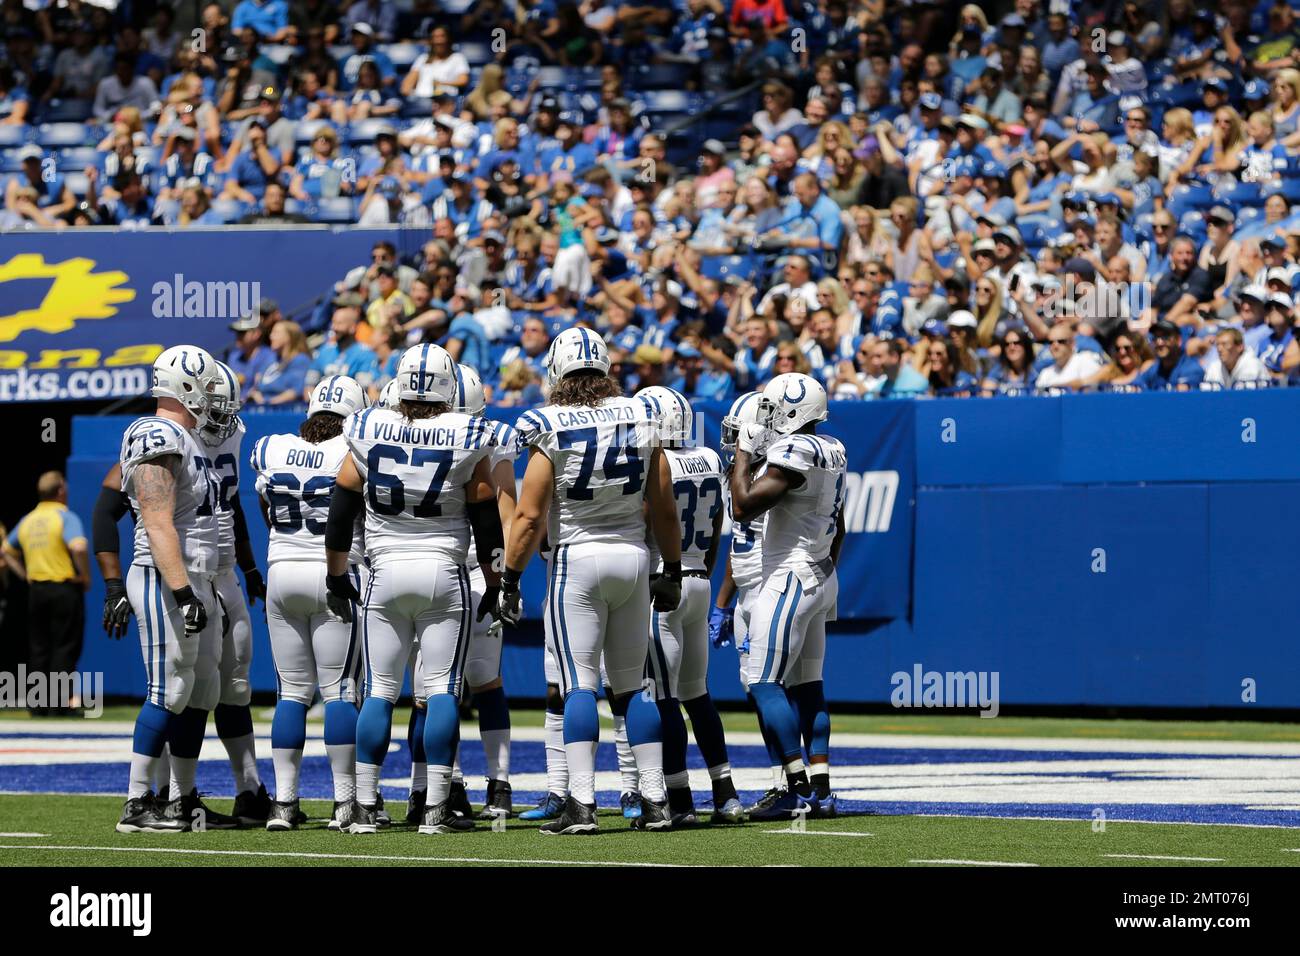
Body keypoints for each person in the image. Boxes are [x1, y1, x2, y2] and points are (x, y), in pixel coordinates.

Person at [497, 328, 683, 834]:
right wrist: (671, 567)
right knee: (633, 687)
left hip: (577, 558)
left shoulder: (547, 423)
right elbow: (663, 508)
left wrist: (509, 578)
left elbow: (530, 517)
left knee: (579, 683)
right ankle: (655, 800)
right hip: (632, 556)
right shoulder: (642, 415)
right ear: (605, 369)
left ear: (556, 372)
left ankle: (581, 803)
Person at [325, 344, 505, 834]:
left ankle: (363, 806)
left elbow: (341, 510)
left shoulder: (367, 428)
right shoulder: (466, 432)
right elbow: (486, 514)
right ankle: (436, 808)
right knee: (442, 690)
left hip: (384, 572)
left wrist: (336, 573)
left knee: (379, 692)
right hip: (443, 572)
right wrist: (495, 580)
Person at [106, 346, 234, 832]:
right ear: (185, 386)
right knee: (172, 685)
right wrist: (183, 593)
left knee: (203, 689)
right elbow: (158, 523)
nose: (215, 398)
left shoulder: (190, 437)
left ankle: (183, 801)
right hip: (165, 577)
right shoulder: (155, 432)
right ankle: (138, 804)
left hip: (197, 575)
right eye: (207, 387)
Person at [250, 375, 370, 830]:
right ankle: (345, 802)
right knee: (339, 690)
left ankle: (284, 803)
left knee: (292, 692)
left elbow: (264, 504)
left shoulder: (273, 446)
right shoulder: (354, 447)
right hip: (334, 571)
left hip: (281, 570)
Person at [728, 373, 846, 818]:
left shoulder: (794, 450)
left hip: (791, 576)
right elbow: (842, 524)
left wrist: (743, 451)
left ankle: (795, 790)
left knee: (763, 683)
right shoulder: (832, 447)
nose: (768, 419)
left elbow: (742, 505)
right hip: (819, 571)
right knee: (809, 686)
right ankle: (821, 787)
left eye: (776, 409)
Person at [636, 386, 744, 826]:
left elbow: (647, 519)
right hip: (699, 578)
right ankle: (726, 794)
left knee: (664, 699)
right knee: (698, 696)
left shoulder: (654, 463)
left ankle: (680, 802)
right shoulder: (710, 459)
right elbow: (718, 523)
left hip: (664, 584)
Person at [197, 362, 271, 824]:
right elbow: (109, 504)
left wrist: (248, 566)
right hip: (183, 572)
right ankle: (161, 793)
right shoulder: (162, 436)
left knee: (236, 685)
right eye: (213, 406)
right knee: (184, 689)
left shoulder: (232, 433)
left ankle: (250, 789)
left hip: (224, 573)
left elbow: (231, 502)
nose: (222, 417)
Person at [2, 472, 90, 716]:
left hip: (37, 590)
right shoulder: (64, 517)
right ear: (61, 490)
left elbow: (6, 551)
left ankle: (39, 705)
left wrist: (25, 575)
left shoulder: (28, 520)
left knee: (39, 648)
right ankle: (61, 705)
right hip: (63, 588)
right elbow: (78, 546)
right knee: (64, 647)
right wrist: (84, 575)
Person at [304, 293, 382, 396]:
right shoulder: (324, 351)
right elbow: (308, 388)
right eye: (333, 322)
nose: (334, 328)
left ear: (353, 327)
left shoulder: (365, 354)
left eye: (340, 324)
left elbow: (367, 392)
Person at [249, 321, 313, 405]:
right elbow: (257, 383)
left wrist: (267, 402)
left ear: (289, 336)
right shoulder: (271, 358)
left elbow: (295, 392)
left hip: (285, 411)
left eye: (276, 333)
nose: (271, 336)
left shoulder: (301, 360)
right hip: (260, 408)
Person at [1138, 320, 1206, 390]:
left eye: (1165, 337)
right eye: (1155, 338)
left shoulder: (1192, 369)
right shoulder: (1153, 369)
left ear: (1179, 340)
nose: (1159, 343)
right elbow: (1136, 387)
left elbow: (1183, 398)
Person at [1203, 326, 1272, 389]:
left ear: (1240, 347)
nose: (1219, 349)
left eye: (1225, 344)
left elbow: (1246, 398)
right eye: (1217, 345)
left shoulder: (1252, 364)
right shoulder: (1214, 366)